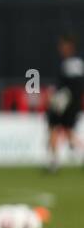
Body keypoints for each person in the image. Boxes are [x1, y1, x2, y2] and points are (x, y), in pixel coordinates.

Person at [45, 33, 83, 172]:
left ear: (69, 46)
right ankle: (54, 160)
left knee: (54, 126)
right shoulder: (76, 62)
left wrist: (59, 96)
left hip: (66, 100)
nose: (60, 48)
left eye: (63, 45)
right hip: (71, 101)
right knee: (67, 131)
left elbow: (74, 85)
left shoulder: (71, 63)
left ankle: (54, 162)